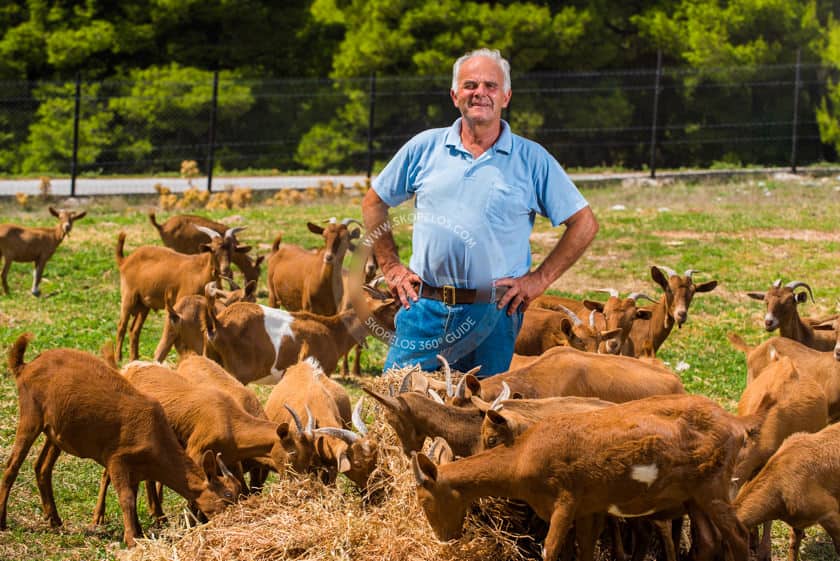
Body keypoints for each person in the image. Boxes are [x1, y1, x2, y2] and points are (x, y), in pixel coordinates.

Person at [361, 48, 598, 377]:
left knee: (479, 418)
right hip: (424, 307)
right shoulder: (424, 148)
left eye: (491, 86)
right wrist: (391, 267)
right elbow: (374, 202)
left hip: (493, 314)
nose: (480, 93)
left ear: (506, 96)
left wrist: (538, 281)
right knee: (397, 405)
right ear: (455, 94)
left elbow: (584, 223)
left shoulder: (532, 159)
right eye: (470, 85)